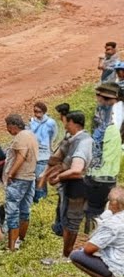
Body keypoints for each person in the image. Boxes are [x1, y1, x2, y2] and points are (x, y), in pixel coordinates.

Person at [49, 111, 93, 261]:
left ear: (73, 123)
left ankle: (67, 256)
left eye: (67, 122)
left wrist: (59, 177)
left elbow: (76, 170)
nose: (65, 125)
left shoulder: (82, 142)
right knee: (67, 220)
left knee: (72, 221)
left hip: (78, 187)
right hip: (74, 186)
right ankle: (65, 255)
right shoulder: (76, 140)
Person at [70, 186, 124, 277]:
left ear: (113, 204)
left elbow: (89, 249)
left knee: (76, 255)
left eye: (109, 200)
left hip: (119, 266)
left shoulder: (113, 223)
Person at [2, 113, 39, 250]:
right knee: (24, 210)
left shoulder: (21, 138)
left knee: (12, 212)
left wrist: (11, 173)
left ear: (12, 126)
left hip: (19, 179)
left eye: (7, 126)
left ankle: (11, 246)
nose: (7, 130)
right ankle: (19, 241)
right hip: (30, 177)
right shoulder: (31, 134)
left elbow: (21, 156)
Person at [86, 104, 122, 229]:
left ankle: (91, 235)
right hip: (110, 177)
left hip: (96, 177)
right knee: (104, 208)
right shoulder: (115, 131)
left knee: (92, 209)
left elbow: (93, 154)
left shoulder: (99, 132)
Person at [29, 102, 57, 203]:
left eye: (39, 112)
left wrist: (48, 145)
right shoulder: (32, 122)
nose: (37, 114)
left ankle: (40, 199)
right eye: (35, 112)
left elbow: (54, 135)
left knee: (40, 178)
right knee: (35, 178)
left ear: (44, 111)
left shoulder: (51, 122)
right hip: (34, 153)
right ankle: (38, 199)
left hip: (44, 154)